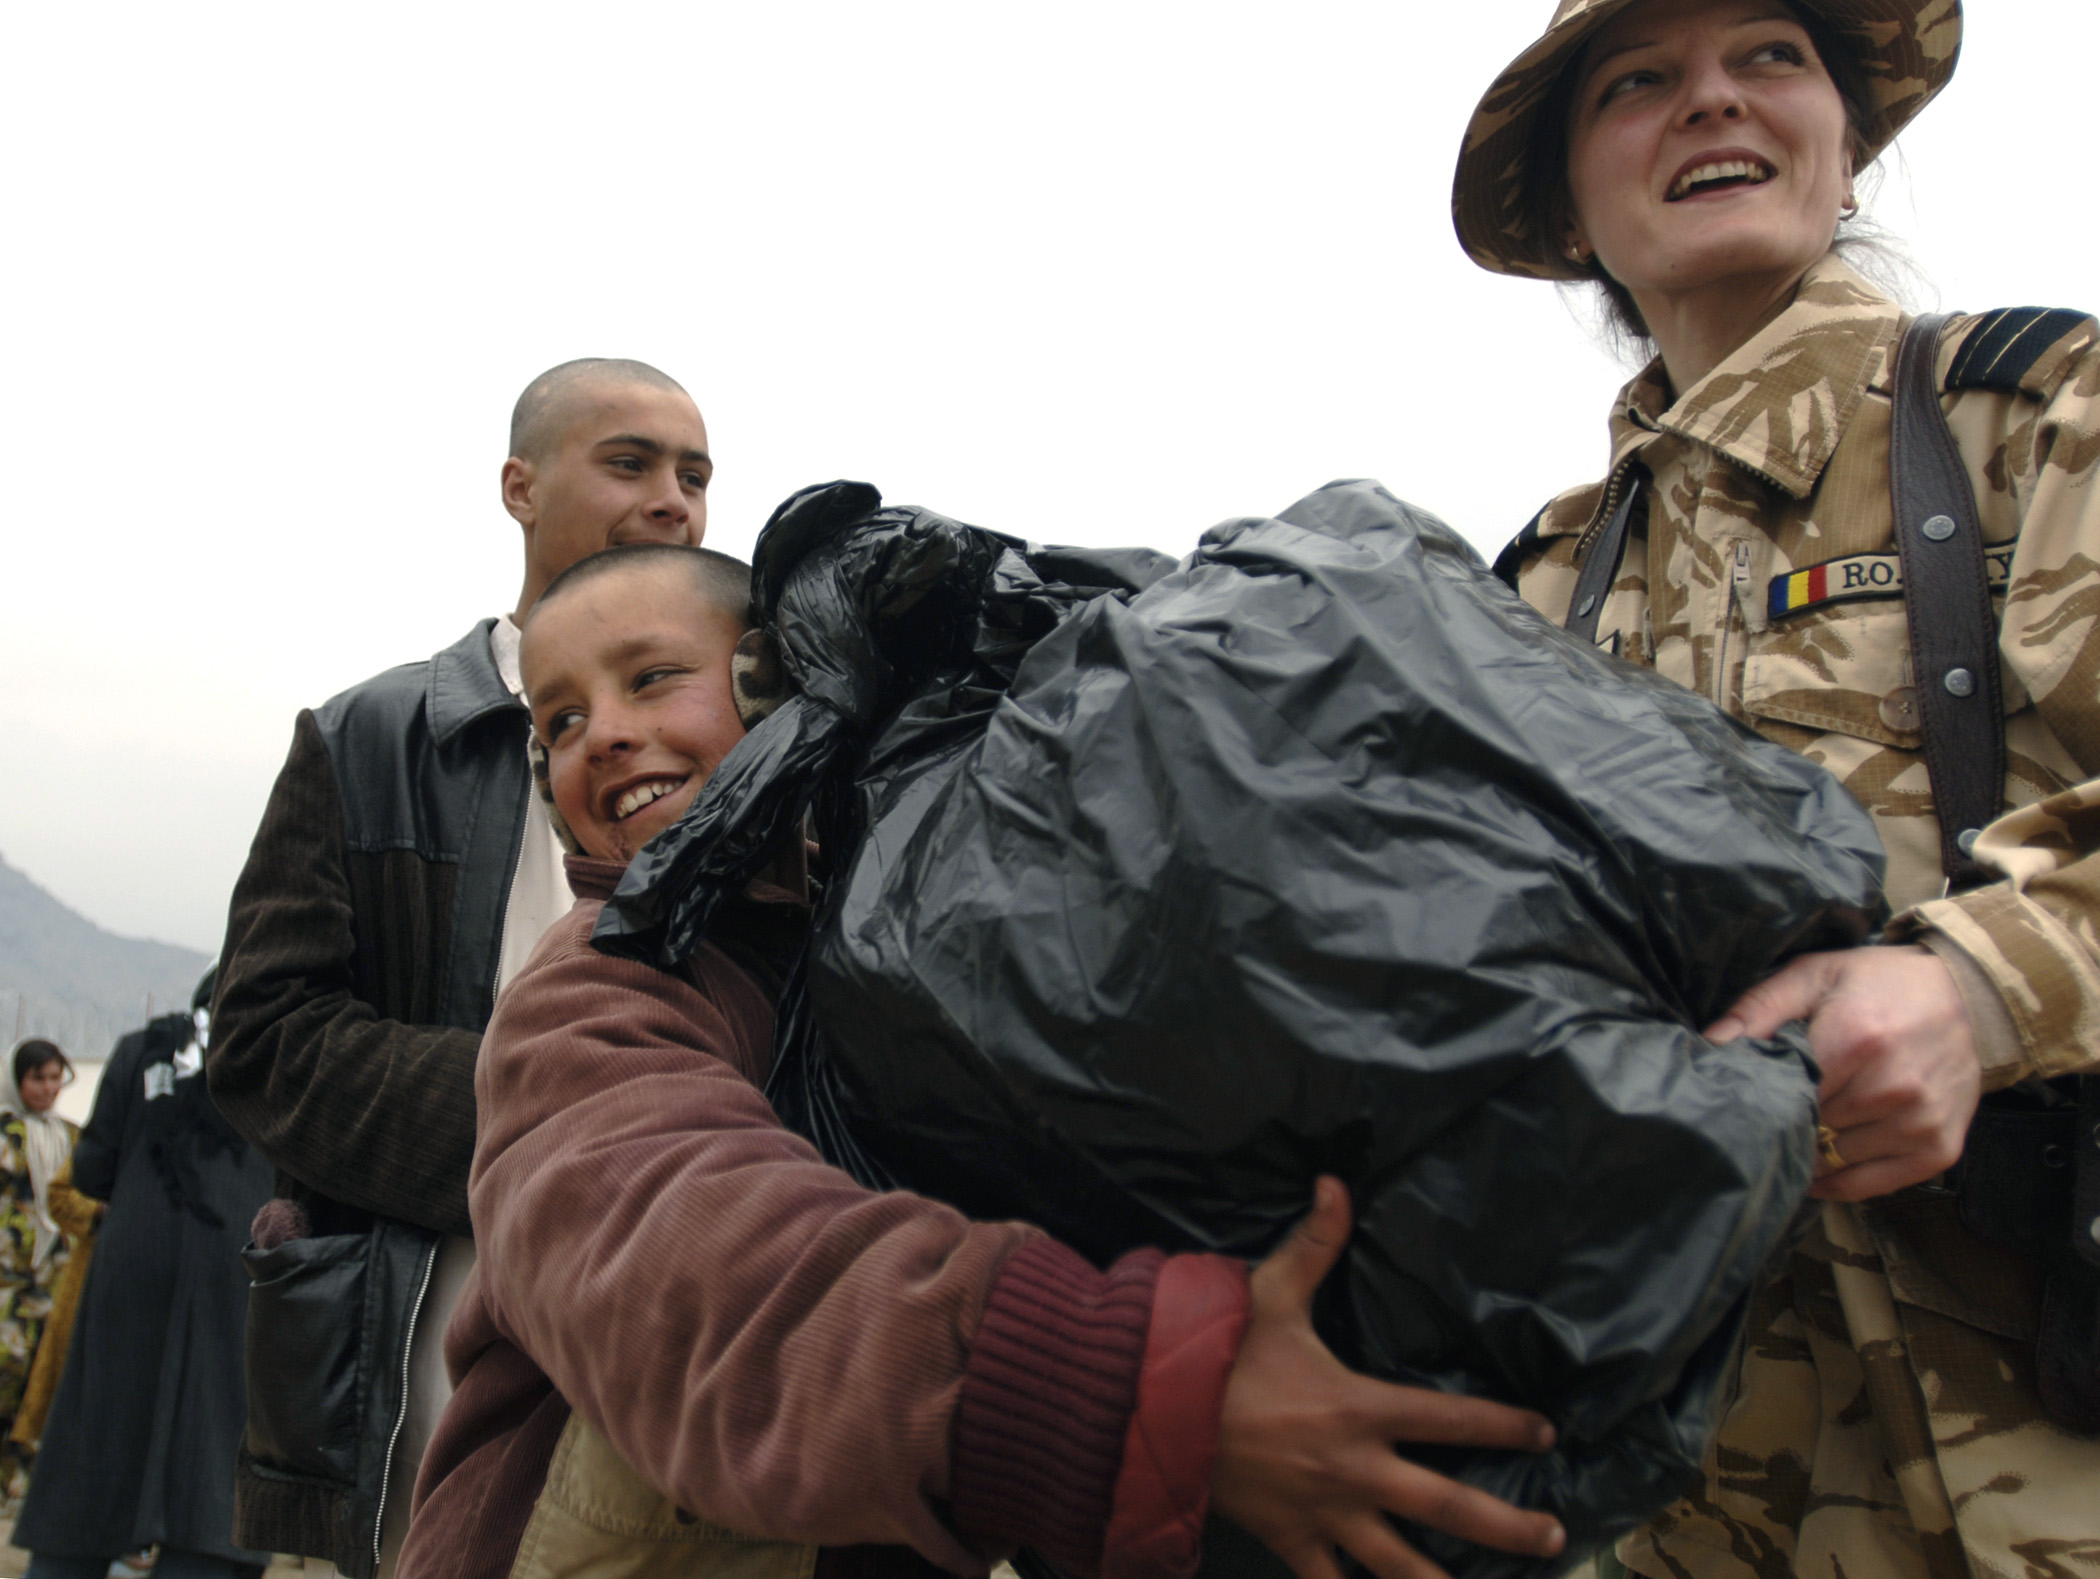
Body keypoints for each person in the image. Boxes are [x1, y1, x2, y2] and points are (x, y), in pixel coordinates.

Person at [399, 543, 1570, 1579]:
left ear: (781, 684)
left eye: (652, 678)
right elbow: (676, 1262)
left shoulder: (922, 935)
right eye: (556, 721)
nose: (598, 732)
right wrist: (1123, 1389)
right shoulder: (599, 981)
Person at [1455, 4, 2100, 1579]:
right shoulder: (1523, 591)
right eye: (1639, 82)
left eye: (1771, 57)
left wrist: (1983, 988)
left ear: (1842, 140)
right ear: (1574, 202)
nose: (1712, 103)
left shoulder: (2027, 416)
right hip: (1665, 1485)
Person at [207, 357, 714, 1577]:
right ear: (518, 486)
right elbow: (263, 1038)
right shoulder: (372, 737)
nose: (674, 501)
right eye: (631, 461)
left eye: (696, 474)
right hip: (421, 1374)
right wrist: (546, 1117)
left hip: (677, 1366)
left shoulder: (744, 740)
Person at [12, 974, 275, 1579]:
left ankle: (66, 1557)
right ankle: (200, 1554)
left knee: (100, 1418)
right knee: (214, 1429)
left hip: (132, 1259)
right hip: (234, 1266)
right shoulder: (282, 1056)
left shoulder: (139, 1050)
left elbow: (93, 1167)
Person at [0, 1039, 79, 1498]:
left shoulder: (71, 1137)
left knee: (43, 1376)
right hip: (8, 1283)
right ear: (17, 1081)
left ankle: (27, 1483)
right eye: (37, 1078)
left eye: (55, 1078)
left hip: (55, 1279)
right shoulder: (6, 1136)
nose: (48, 1089)